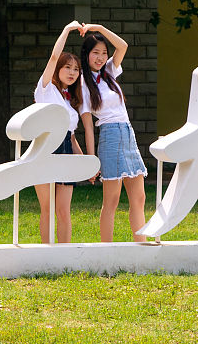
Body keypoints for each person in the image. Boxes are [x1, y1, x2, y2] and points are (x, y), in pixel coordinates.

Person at [78, 24, 148, 242]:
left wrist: (98, 28)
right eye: (95, 53)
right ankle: (107, 251)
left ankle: (142, 246)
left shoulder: (108, 73)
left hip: (128, 134)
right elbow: (88, 125)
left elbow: (123, 46)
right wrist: (91, 161)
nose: (100, 58)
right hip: (109, 136)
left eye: (103, 53)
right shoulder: (82, 81)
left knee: (139, 198)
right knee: (112, 200)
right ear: (86, 55)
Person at [33, 21, 86, 243]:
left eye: (76, 69)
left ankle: (65, 254)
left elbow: (72, 135)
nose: (72, 72)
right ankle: (46, 252)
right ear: (58, 69)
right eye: (68, 68)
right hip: (45, 148)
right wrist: (67, 30)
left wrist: (83, 161)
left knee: (63, 210)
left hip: (65, 148)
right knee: (47, 208)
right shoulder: (46, 89)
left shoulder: (70, 100)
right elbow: (54, 57)